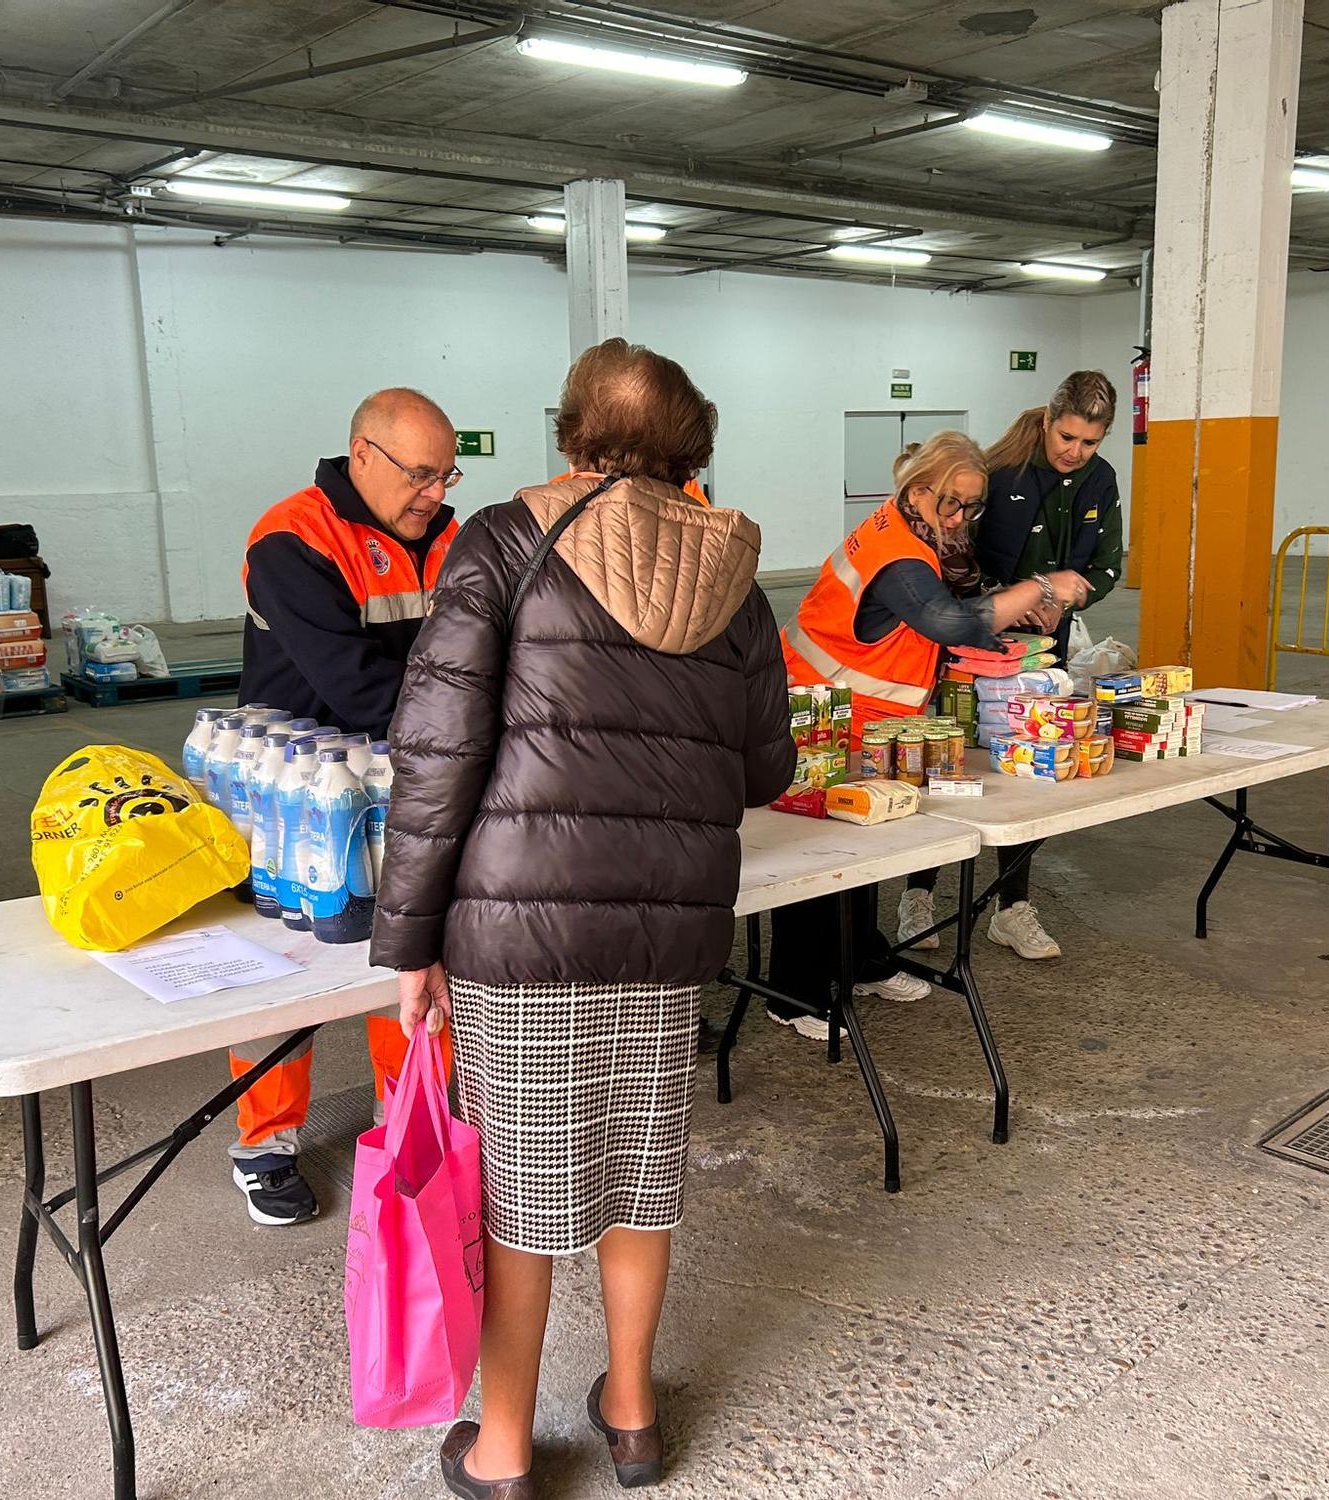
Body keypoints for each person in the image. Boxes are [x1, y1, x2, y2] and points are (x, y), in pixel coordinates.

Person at [370, 338, 795, 1499]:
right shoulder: (736, 576)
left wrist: (408, 942)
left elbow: (437, 752)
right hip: (669, 931)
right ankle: (631, 1409)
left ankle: (503, 1445)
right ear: (690, 442)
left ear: (569, 432)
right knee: (639, 1181)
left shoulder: (504, 541)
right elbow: (765, 766)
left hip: (521, 931)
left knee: (523, 1192)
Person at [223, 388, 464, 1228]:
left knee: (405, 957)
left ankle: (406, 1125)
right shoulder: (293, 538)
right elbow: (356, 686)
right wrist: (480, 710)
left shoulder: (449, 538)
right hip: (292, 793)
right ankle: (264, 1142)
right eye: (420, 475)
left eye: (445, 474)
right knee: (284, 982)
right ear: (363, 454)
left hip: (404, 781)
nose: (435, 493)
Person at [770, 432, 1063, 1037]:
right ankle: (793, 991)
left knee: (867, 846)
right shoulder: (899, 553)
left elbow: (940, 616)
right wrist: (1038, 589)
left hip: (869, 720)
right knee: (821, 858)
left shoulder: (915, 534)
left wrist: (1004, 621)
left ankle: (861, 961)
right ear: (918, 490)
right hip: (821, 716)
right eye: (951, 504)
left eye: (972, 506)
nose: (961, 519)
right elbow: (942, 618)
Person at [898, 370, 1125, 963]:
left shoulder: (1101, 482)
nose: (1074, 452)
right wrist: (1018, 598)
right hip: (972, 645)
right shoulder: (1000, 475)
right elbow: (957, 555)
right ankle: (918, 894)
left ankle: (1012, 907)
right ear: (1048, 420)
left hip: (1044, 653)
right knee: (949, 762)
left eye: (1089, 442)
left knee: (1031, 771)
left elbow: (1106, 565)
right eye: (1067, 436)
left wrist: (1063, 601)